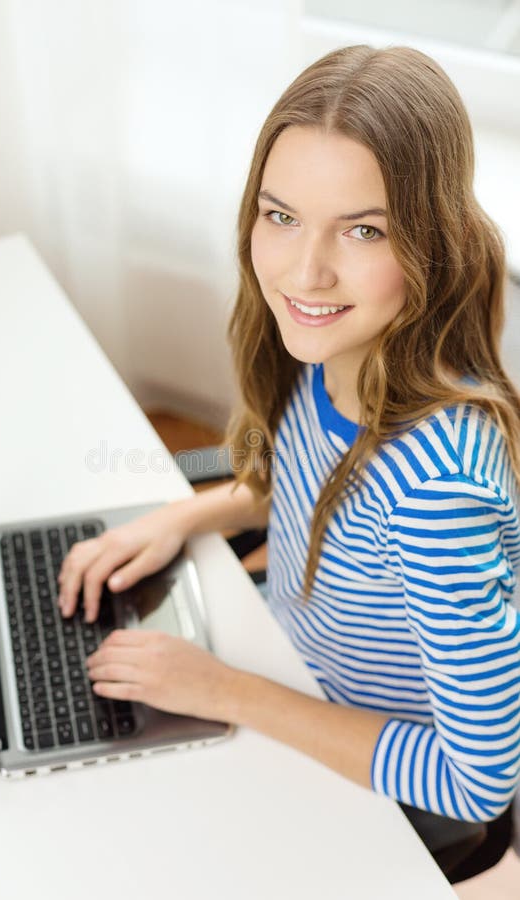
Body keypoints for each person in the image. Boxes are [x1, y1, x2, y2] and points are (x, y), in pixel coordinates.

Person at [56, 45, 520, 879]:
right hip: (290, 659)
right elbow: (309, 485)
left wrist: (221, 691)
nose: (304, 271)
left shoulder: (436, 490)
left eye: (363, 229)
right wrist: (181, 517)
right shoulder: (336, 350)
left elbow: (477, 780)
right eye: (281, 216)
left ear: (432, 243)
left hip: (374, 774)